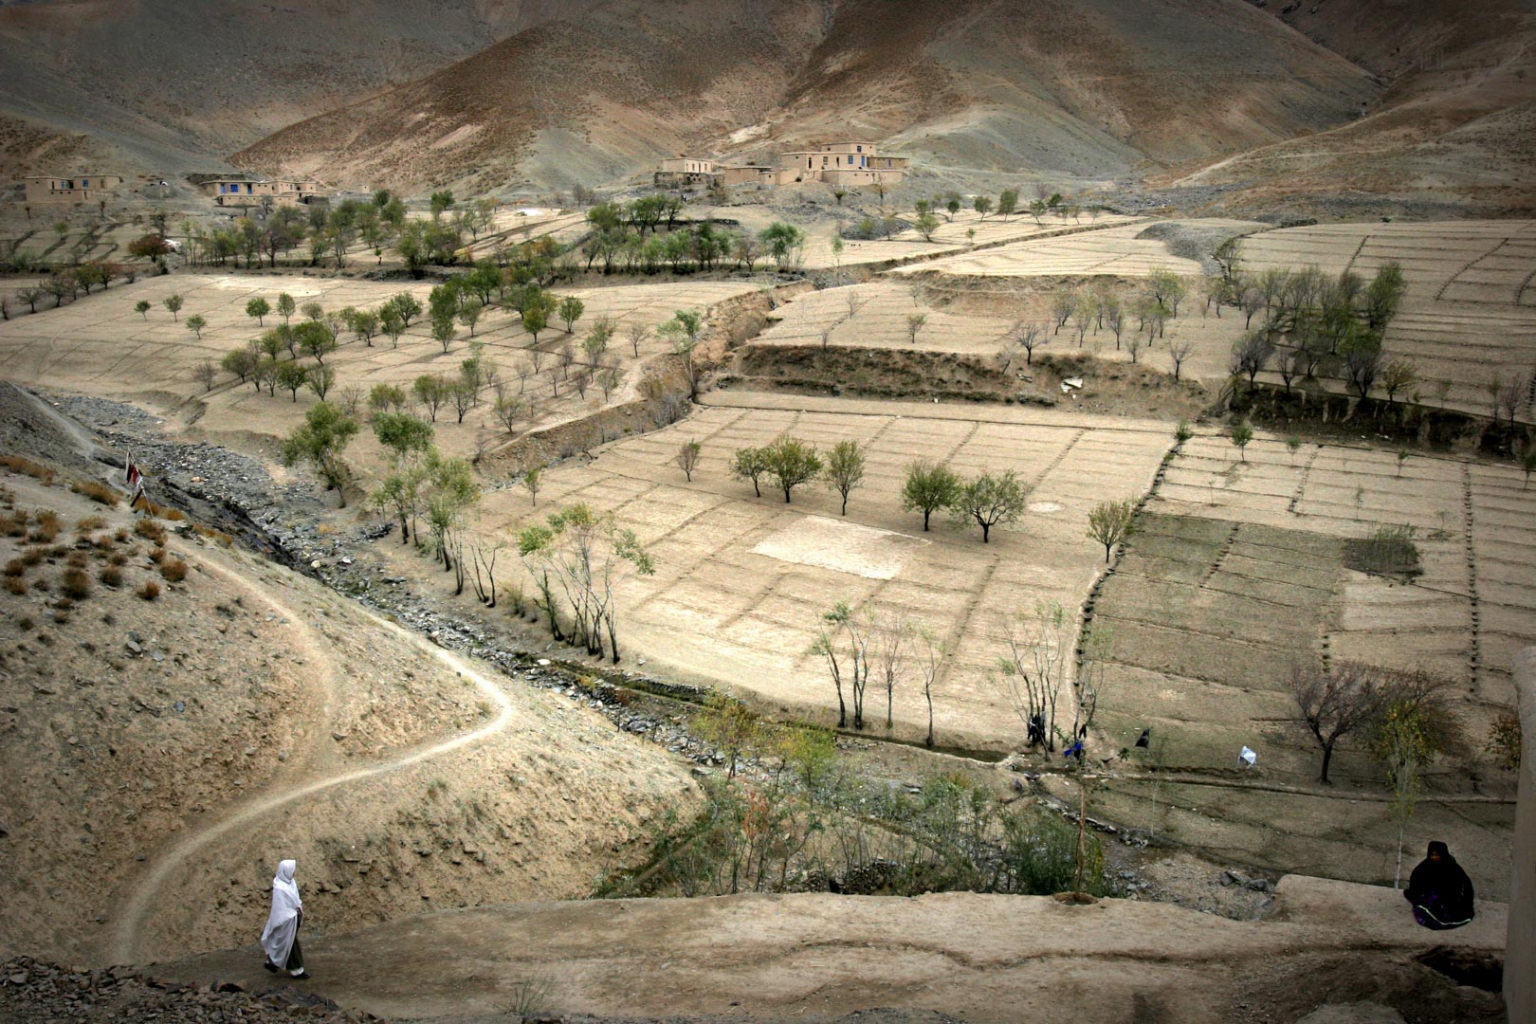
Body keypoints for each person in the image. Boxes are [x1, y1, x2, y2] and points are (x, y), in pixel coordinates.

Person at [1404, 841, 1475, 930]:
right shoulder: (1423, 867)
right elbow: (1415, 883)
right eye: (1432, 855)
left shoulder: (1453, 868)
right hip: (1432, 898)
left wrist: (1466, 904)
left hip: (1450, 899)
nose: (1434, 858)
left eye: (1437, 855)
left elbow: (1467, 887)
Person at [260, 859, 309, 978]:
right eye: (292, 870)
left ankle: (272, 962)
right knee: (290, 944)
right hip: (285, 920)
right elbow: (280, 907)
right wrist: (291, 913)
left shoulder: (291, 883)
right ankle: (297, 970)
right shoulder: (279, 887)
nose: (294, 873)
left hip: (292, 918)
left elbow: (295, 899)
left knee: (284, 943)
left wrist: (297, 909)